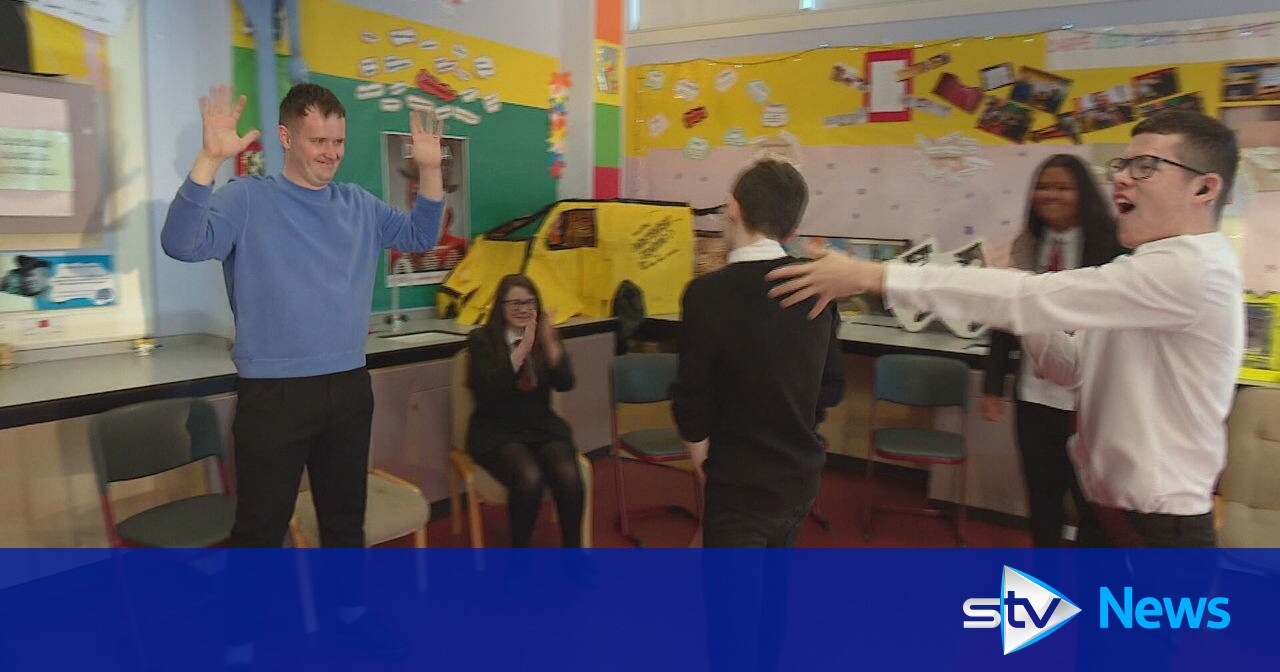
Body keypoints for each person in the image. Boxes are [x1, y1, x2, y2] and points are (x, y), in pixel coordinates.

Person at [767, 110, 1242, 549]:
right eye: (1122, 164)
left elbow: (1031, 299)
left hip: (1158, 530)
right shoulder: (1147, 269)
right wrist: (1013, 293)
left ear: (1204, 189)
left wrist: (874, 276)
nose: (1121, 177)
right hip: (1112, 515)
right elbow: (1068, 366)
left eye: (1146, 166)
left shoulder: (1191, 269)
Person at [163, 83, 443, 662]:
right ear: (287, 137)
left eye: (338, 141)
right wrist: (209, 159)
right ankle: (240, 645)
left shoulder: (359, 205)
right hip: (274, 395)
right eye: (319, 141)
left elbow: (421, 236)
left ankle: (352, 616)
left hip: (348, 386)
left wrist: (431, 170)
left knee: (344, 517)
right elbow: (181, 243)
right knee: (260, 528)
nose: (331, 153)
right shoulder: (247, 199)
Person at [671, 157, 844, 549]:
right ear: (792, 230)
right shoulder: (815, 286)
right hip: (800, 478)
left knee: (734, 591)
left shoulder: (706, 295)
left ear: (732, 207)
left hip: (738, 483)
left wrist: (708, 472)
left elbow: (691, 404)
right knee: (772, 585)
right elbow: (832, 386)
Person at [981, 154, 1128, 547]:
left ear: (1084, 193)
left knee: (1093, 506)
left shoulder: (1112, 246)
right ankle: (1045, 582)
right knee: (1042, 500)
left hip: (1089, 402)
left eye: (1063, 187)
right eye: (1044, 187)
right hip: (1034, 397)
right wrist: (993, 385)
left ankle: (1091, 583)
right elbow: (1005, 315)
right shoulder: (1025, 246)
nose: (1052, 195)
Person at [466, 274, 584, 548]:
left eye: (529, 302)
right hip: (496, 430)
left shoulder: (544, 338)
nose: (523, 309)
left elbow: (565, 383)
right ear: (501, 306)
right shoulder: (482, 340)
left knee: (567, 473)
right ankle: (519, 554)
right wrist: (521, 352)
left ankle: (574, 553)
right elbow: (487, 392)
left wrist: (550, 343)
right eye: (515, 303)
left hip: (541, 426)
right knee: (529, 478)